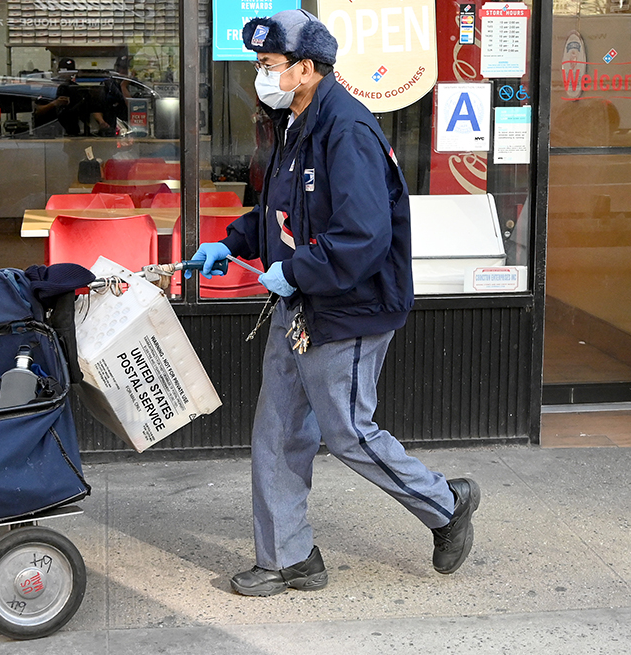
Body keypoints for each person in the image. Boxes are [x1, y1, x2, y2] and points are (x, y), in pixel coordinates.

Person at [189, 9, 481, 597]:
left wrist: (294, 271)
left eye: (269, 65)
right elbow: (281, 209)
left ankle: (446, 504)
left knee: (348, 432)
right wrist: (231, 242)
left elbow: (363, 238)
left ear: (305, 68)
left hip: (349, 308)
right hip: (301, 305)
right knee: (277, 432)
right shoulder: (292, 121)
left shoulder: (346, 131)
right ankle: (289, 558)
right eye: (259, 64)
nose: (260, 74)